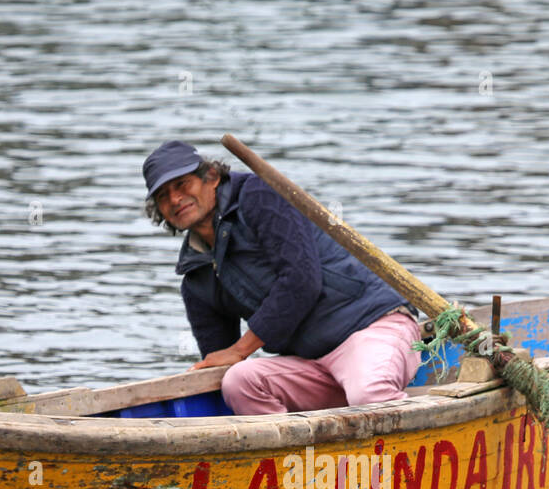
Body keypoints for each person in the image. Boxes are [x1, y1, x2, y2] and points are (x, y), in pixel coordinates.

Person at [142, 140, 422, 415]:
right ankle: (300, 459)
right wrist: (231, 356)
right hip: (312, 365)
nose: (175, 199)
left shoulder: (258, 196)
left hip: (370, 329)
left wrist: (241, 349)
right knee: (238, 381)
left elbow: (301, 281)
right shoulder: (195, 277)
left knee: (369, 394)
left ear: (212, 177)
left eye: (182, 185)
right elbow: (221, 358)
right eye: (163, 196)